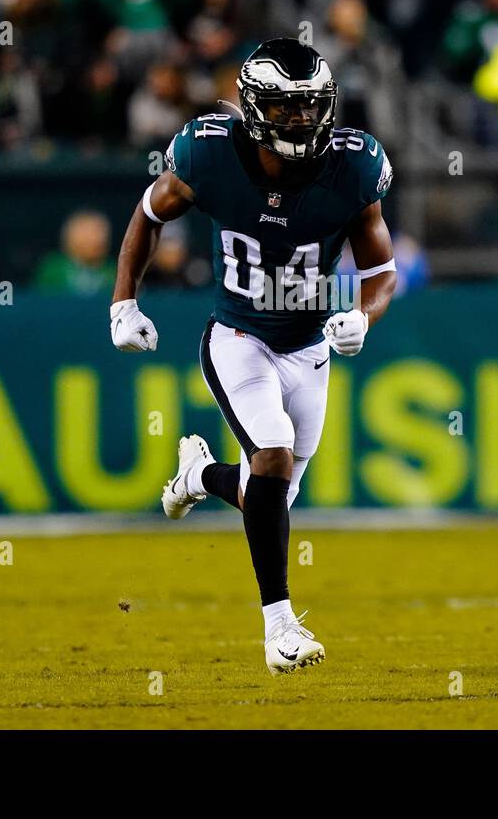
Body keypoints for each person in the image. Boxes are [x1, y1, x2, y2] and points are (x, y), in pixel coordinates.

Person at [109, 39, 397, 675]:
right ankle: (279, 628)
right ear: (255, 108)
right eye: (287, 109)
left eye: (310, 107)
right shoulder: (209, 153)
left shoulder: (352, 166)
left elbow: (380, 268)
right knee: (269, 458)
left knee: (269, 496)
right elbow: (148, 213)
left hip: (309, 345)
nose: (302, 121)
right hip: (238, 336)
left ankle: (200, 477)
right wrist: (123, 304)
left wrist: (362, 317)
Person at [34, 210, 114, 295]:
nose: (100, 239)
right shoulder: (53, 269)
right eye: (91, 232)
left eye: (103, 232)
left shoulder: (114, 271)